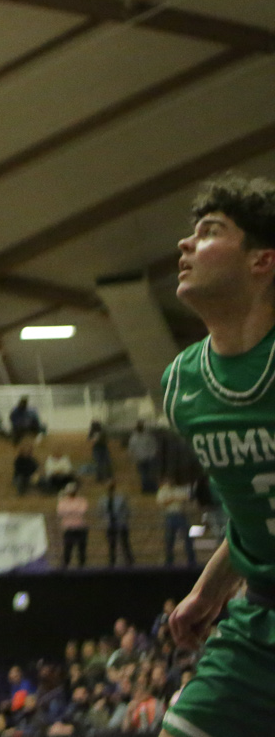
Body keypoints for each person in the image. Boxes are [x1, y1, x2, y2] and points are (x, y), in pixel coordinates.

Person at [163, 175, 275, 737]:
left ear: (262, 261)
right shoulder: (183, 386)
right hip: (259, 621)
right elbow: (256, 516)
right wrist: (206, 593)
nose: (185, 245)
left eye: (209, 232)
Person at [157, 477, 195, 567]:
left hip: (181, 515)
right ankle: (169, 561)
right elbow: (161, 502)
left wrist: (172, 498)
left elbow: (186, 498)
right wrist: (174, 498)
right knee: (169, 540)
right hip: (170, 515)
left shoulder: (180, 488)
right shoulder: (163, 490)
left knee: (188, 538)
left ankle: (191, 560)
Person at [101, 482, 134, 567]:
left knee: (124, 543)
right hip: (110, 524)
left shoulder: (120, 498)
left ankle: (129, 561)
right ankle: (112, 561)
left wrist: (122, 519)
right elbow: (101, 511)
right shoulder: (103, 499)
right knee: (112, 544)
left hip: (121, 523)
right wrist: (105, 520)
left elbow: (127, 511)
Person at [56, 483, 89, 568]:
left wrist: (69, 512)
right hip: (68, 528)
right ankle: (66, 565)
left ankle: (82, 566)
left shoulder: (82, 500)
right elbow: (61, 513)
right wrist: (74, 511)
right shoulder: (63, 501)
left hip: (80, 527)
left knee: (81, 549)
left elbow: (82, 511)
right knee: (68, 548)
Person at [128, 420, 162, 494]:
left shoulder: (148, 436)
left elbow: (153, 446)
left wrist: (153, 455)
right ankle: (145, 489)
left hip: (149, 458)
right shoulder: (134, 438)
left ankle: (153, 488)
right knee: (143, 475)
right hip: (140, 459)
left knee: (151, 474)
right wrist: (133, 458)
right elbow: (131, 449)